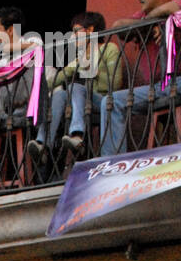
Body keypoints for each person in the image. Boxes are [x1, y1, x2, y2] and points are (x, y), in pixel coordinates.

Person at [101, 0, 181, 155]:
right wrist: (153, 20)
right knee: (111, 101)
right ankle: (113, 164)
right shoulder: (145, 16)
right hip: (161, 88)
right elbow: (118, 26)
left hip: (178, 82)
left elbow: (175, 7)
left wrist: (161, 20)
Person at [27, 12, 123, 164]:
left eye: (76, 30)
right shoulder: (79, 58)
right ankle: (43, 143)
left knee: (75, 88)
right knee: (60, 95)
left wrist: (92, 71)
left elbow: (115, 84)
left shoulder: (110, 48)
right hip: (86, 103)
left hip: (105, 100)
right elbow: (55, 81)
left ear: (90, 30)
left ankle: (77, 135)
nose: (73, 36)